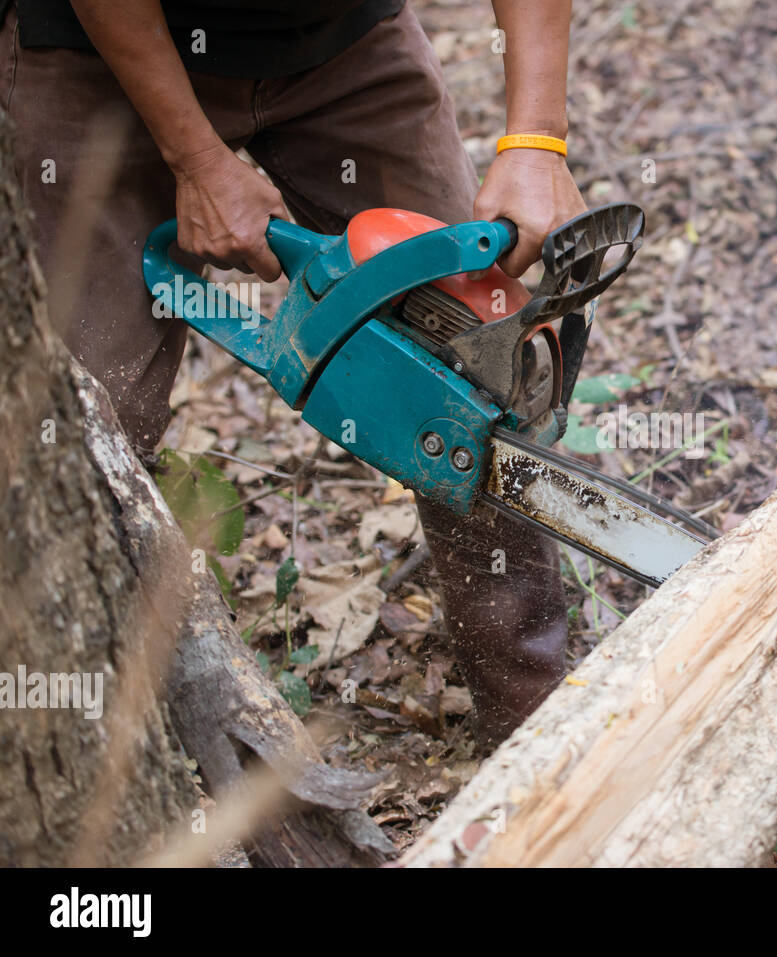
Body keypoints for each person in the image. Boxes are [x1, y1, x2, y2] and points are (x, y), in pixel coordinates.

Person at [1, 0, 585, 746]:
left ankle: (539, 727)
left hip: (342, 40)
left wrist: (537, 140)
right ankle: (89, 755)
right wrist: (197, 158)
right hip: (97, 48)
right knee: (84, 425)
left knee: (476, 365)